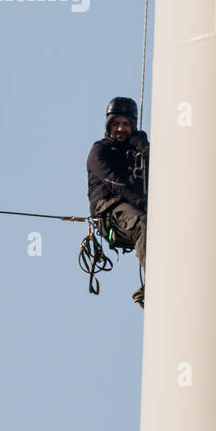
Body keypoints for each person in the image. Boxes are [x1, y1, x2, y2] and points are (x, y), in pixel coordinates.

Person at [86, 96, 149, 306]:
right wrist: (140, 201)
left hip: (133, 205)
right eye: (116, 124)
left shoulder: (133, 153)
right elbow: (115, 183)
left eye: (126, 124)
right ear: (108, 125)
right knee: (143, 224)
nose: (121, 129)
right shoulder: (100, 151)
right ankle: (154, 282)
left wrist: (145, 150)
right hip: (109, 210)